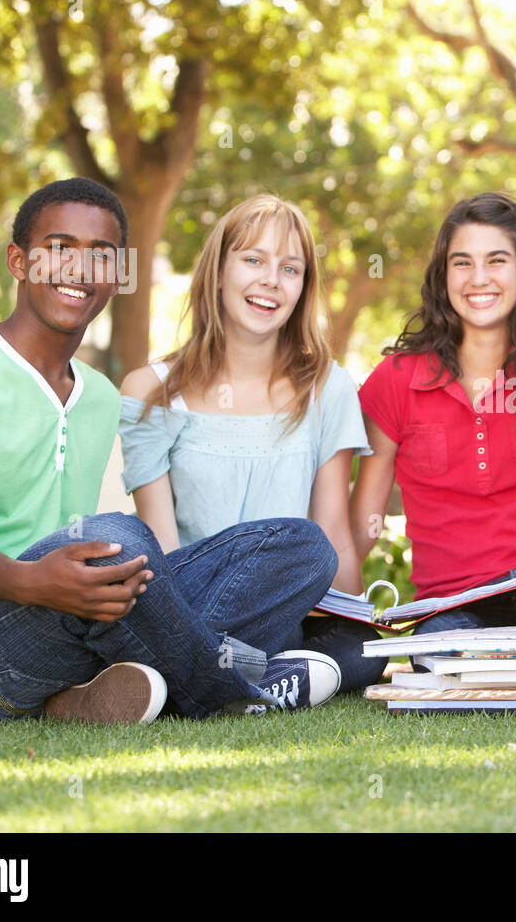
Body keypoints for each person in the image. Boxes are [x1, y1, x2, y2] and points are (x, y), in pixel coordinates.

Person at [0, 178, 335, 724]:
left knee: (303, 546)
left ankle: (86, 697)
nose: (79, 269)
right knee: (120, 540)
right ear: (19, 261)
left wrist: (80, 580)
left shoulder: (98, 395)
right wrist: (35, 581)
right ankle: (239, 686)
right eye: (60, 249)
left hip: (72, 614)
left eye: (100, 256)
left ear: (118, 277)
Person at [349, 192, 516, 674]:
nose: (479, 278)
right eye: (463, 262)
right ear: (444, 276)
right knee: (442, 658)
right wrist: (331, 616)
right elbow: (361, 527)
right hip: (453, 607)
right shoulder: (395, 380)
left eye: (497, 260)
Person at [119, 193, 363, 694]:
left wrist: (356, 625)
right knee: (293, 651)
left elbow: (332, 530)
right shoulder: (150, 390)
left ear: (302, 287)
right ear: (219, 272)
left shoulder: (329, 388)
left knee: (353, 655)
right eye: (253, 260)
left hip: (287, 613)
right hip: (191, 605)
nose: (271, 280)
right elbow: (162, 549)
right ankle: (245, 676)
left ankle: (211, 680)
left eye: (290, 268)